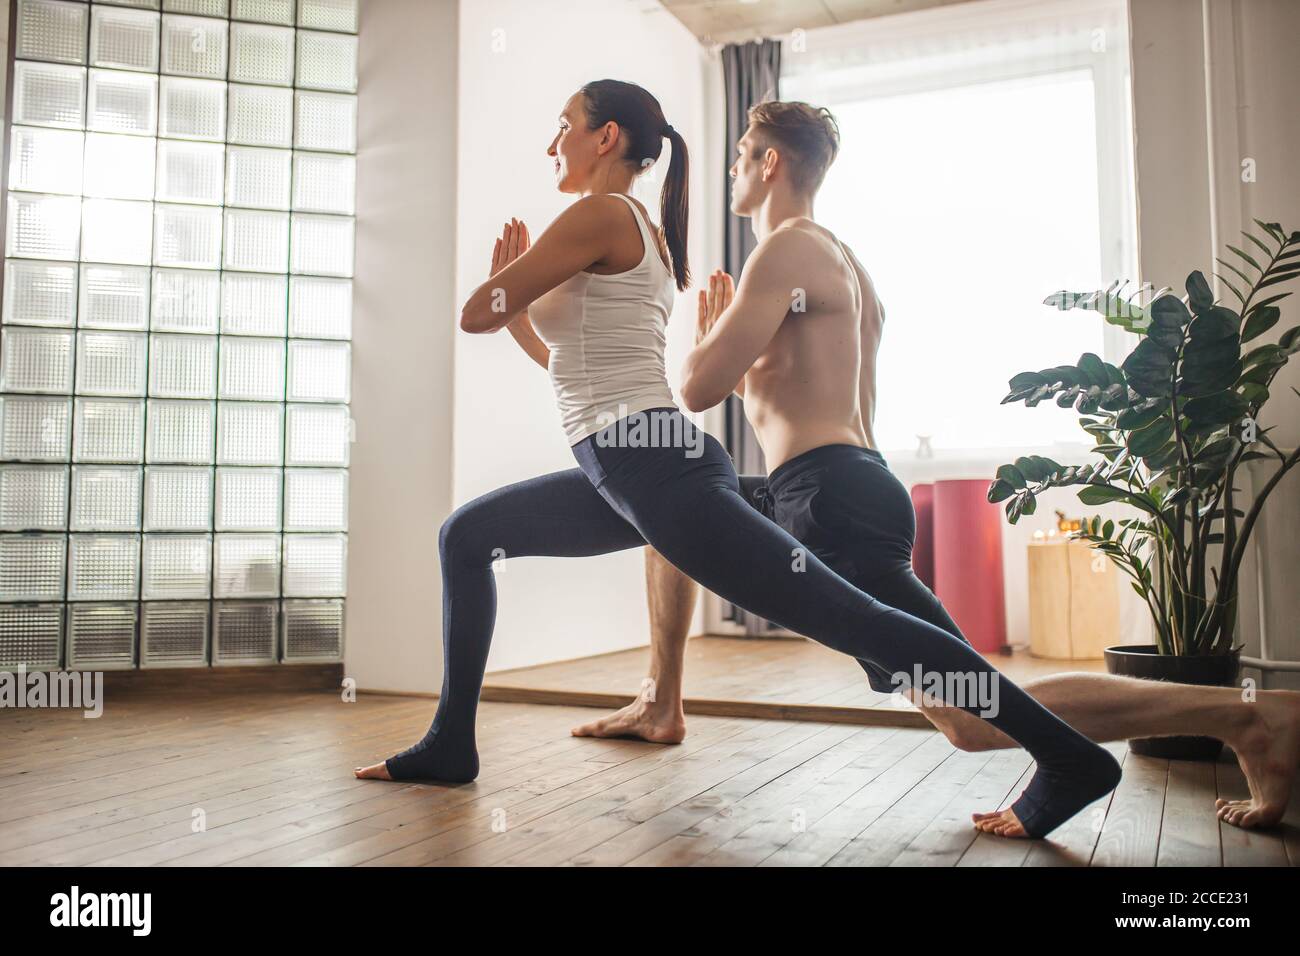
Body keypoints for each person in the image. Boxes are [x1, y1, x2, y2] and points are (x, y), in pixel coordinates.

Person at [355, 79, 1123, 840]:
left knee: (860, 620)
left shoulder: (598, 214)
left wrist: (503, 285)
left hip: (649, 465)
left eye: (563, 125)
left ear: (606, 137)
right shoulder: (638, 230)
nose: (551, 142)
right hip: (621, 464)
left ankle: (1067, 758)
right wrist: (519, 304)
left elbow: (473, 314)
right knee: (465, 536)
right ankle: (452, 744)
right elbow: (562, 363)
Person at [570, 100, 1300, 835]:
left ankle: (1245, 717)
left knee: (968, 713)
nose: (732, 168)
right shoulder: (848, 266)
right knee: (680, 509)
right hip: (838, 486)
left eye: (741, 153)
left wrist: (707, 335)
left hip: (827, 497)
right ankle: (662, 698)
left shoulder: (785, 251)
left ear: (771, 163)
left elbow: (698, 387)